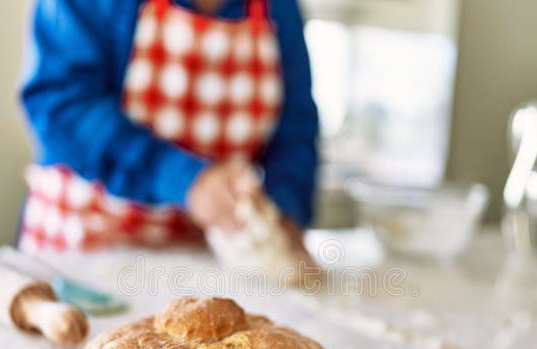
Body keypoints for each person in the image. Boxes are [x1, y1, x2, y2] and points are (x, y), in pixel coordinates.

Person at [17, 0, 319, 253]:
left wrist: (283, 215)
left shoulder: (279, 9)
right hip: (84, 247)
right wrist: (187, 180)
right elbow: (61, 105)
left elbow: (295, 134)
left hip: (204, 261)